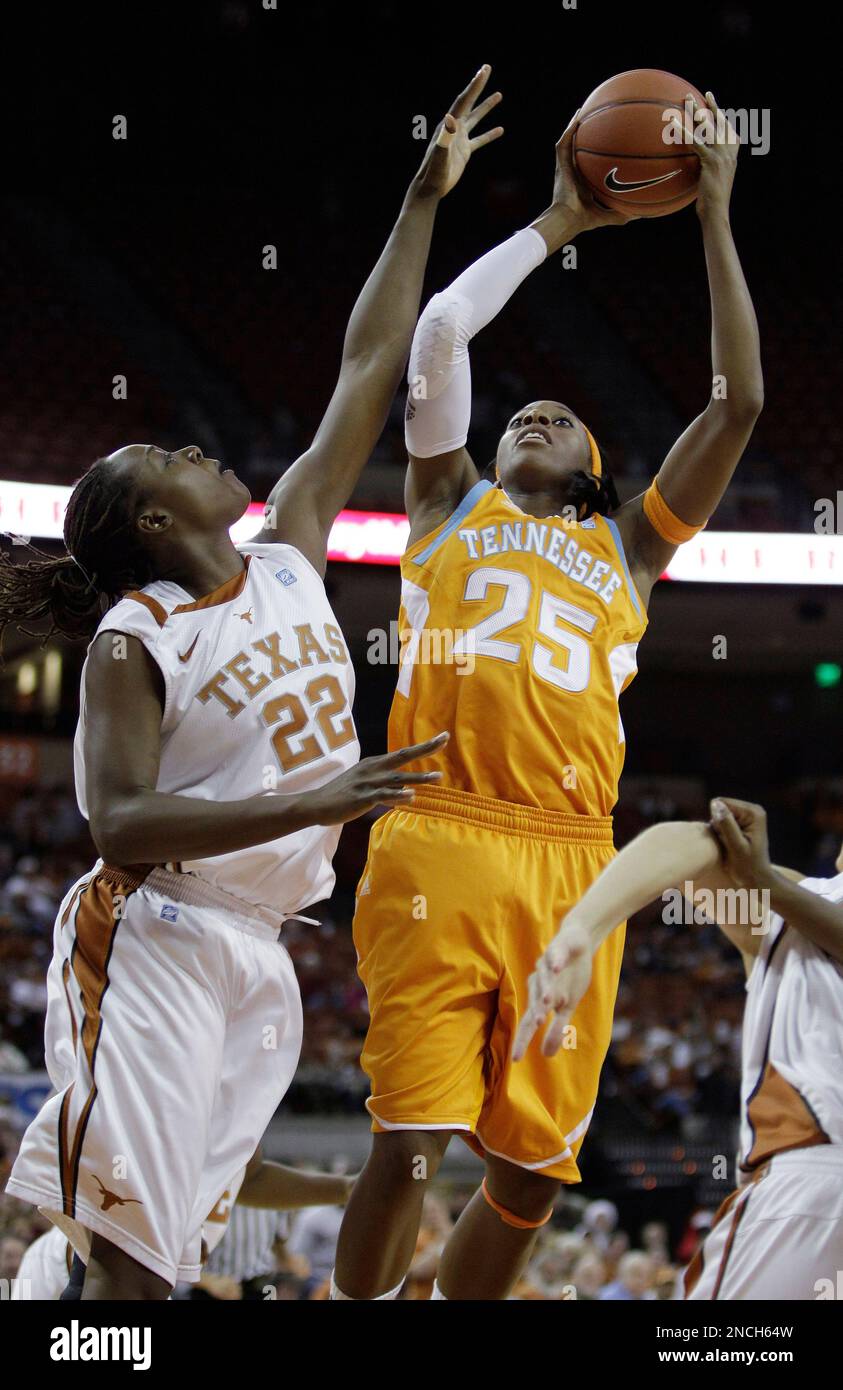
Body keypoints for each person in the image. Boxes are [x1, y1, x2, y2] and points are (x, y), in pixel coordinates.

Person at [2, 65, 503, 1299]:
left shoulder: (284, 556)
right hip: (157, 926)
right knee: (127, 1280)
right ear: (153, 525)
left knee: (170, 1262)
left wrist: (420, 199)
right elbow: (115, 820)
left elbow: (370, 361)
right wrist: (318, 800)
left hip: (265, 949)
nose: (193, 444)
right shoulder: (138, 633)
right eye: (163, 457)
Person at [333, 93, 762, 1301]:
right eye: (523, 410)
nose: (536, 413)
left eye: (563, 418)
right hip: (442, 826)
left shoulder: (629, 549)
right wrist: (556, 221)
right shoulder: (443, 503)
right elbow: (436, 336)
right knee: (408, 1143)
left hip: (576, 862)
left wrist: (715, 215)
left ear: (596, 471)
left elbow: (738, 407)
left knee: (528, 1175)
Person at [516, 798, 843, 1300]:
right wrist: (587, 926)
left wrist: (587, 925)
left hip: (810, 1185)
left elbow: (698, 848)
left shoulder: (793, 903)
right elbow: (694, 845)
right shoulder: (799, 904)